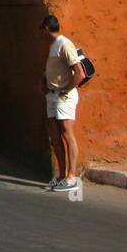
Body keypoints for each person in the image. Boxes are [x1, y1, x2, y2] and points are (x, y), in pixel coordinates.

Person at [41, 13, 85, 191]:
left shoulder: (65, 45)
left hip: (63, 96)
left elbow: (79, 73)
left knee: (67, 133)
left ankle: (72, 177)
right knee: (55, 135)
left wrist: (66, 91)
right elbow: (54, 69)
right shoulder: (53, 46)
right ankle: (61, 174)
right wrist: (43, 80)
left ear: (45, 29)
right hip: (52, 95)